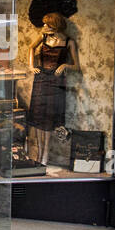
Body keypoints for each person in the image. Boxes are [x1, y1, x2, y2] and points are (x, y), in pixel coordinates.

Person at [27, 12, 79, 164]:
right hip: (41, 79)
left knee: (49, 117)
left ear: (55, 26)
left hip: (56, 82)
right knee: (37, 115)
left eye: (47, 24)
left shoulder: (69, 42)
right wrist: (31, 66)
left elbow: (77, 66)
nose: (44, 27)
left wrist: (64, 65)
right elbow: (31, 48)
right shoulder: (43, 37)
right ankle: (38, 152)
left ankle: (44, 155)